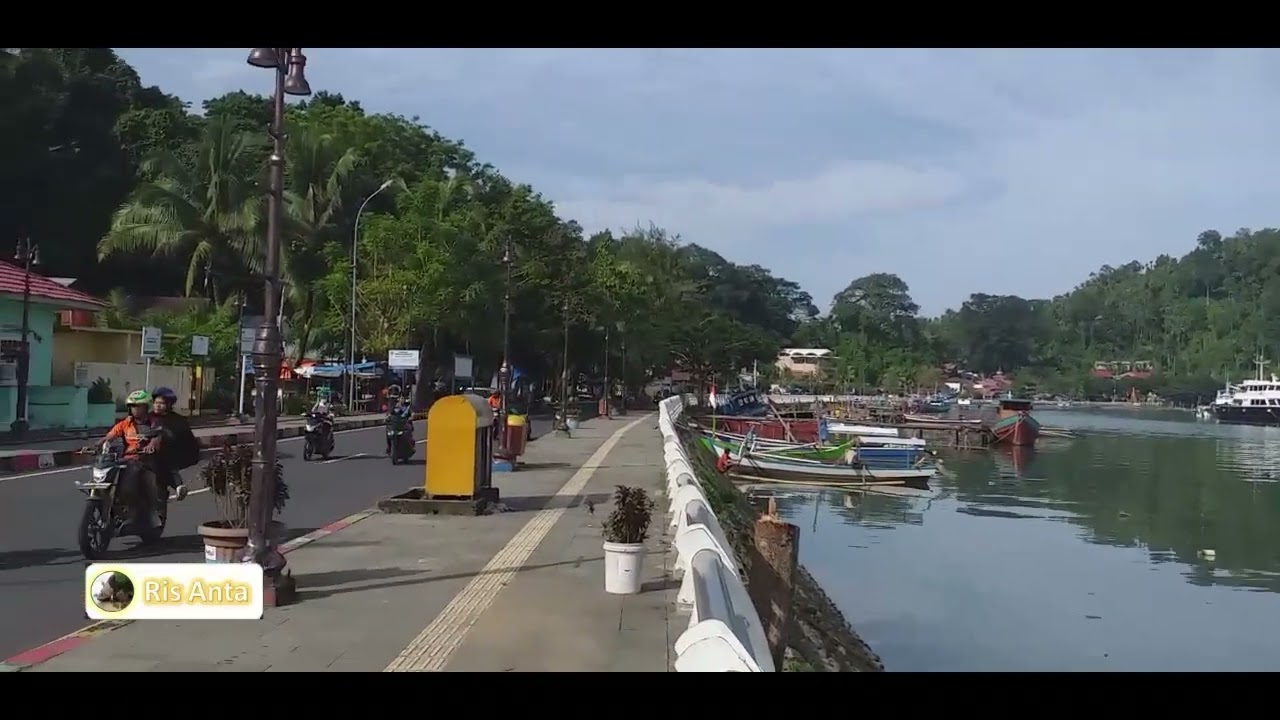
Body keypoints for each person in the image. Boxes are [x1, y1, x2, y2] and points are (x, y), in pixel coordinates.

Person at [87, 390, 162, 529]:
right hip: (127, 459)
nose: (135, 409)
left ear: (146, 407)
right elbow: (110, 436)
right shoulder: (125, 423)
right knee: (105, 473)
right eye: (132, 406)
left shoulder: (154, 422)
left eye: (138, 406)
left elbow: (157, 438)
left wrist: (151, 446)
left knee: (144, 479)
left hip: (147, 461)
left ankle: (152, 513)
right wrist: (97, 444)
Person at [150, 387, 195, 501]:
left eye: (161, 403)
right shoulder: (147, 417)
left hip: (167, 458)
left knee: (160, 480)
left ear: (169, 404)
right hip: (143, 457)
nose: (157, 406)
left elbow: (185, 442)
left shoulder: (177, 420)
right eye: (155, 403)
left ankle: (177, 486)